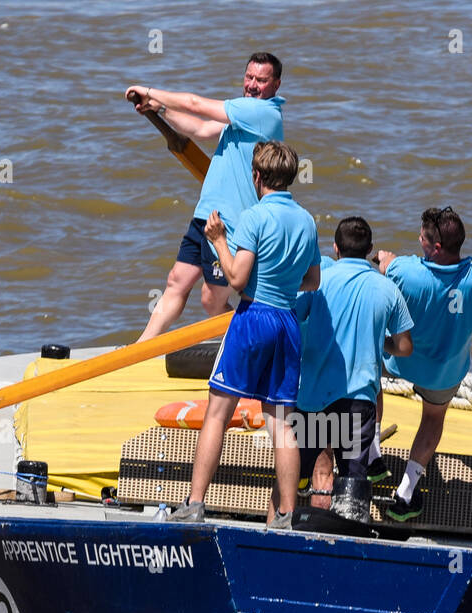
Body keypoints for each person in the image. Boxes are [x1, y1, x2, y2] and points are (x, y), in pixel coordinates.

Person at [169, 141, 320, 529]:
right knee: (282, 424)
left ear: (257, 176)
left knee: (217, 412)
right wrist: (280, 280)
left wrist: (218, 239)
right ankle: (286, 515)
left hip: (253, 318)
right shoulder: (306, 221)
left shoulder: (254, 217)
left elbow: (236, 279)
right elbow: (313, 280)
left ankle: (195, 504)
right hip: (287, 321)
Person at [125, 54, 286, 341]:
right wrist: (160, 109)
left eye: (261, 80)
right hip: (205, 215)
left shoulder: (263, 114)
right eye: (249, 77)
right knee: (176, 281)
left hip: (231, 225)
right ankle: (139, 350)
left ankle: (252, 340)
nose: (252, 85)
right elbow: (199, 128)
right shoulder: (240, 117)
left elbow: (195, 104)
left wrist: (149, 92)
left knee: (211, 301)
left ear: (276, 85)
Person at [375, 206, 472, 521]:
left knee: (369, 376)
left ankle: (372, 455)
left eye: (423, 239)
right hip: (445, 369)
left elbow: (387, 266)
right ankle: (405, 493)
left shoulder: (406, 272)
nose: (419, 241)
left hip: (399, 358)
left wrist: (386, 260)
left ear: (436, 247)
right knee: (432, 418)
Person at [293, 217, 413, 520]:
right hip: (358, 402)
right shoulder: (387, 289)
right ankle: (346, 528)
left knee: (296, 471)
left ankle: (288, 523)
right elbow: (404, 347)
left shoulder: (318, 282)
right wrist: (380, 341)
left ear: (335, 248)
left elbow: (293, 319)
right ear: (370, 249)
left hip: (313, 398)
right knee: (352, 483)